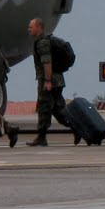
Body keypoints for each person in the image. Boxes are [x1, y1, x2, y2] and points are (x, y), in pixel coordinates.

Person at [26, 17, 74, 147]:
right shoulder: (43, 41)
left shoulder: (42, 43)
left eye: (31, 26)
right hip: (57, 80)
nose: (29, 29)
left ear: (39, 27)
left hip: (49, 81)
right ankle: (77, 128)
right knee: (58, 109)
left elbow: (47, 63)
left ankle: (41, 137)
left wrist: (47, 81)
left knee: (44, 108)